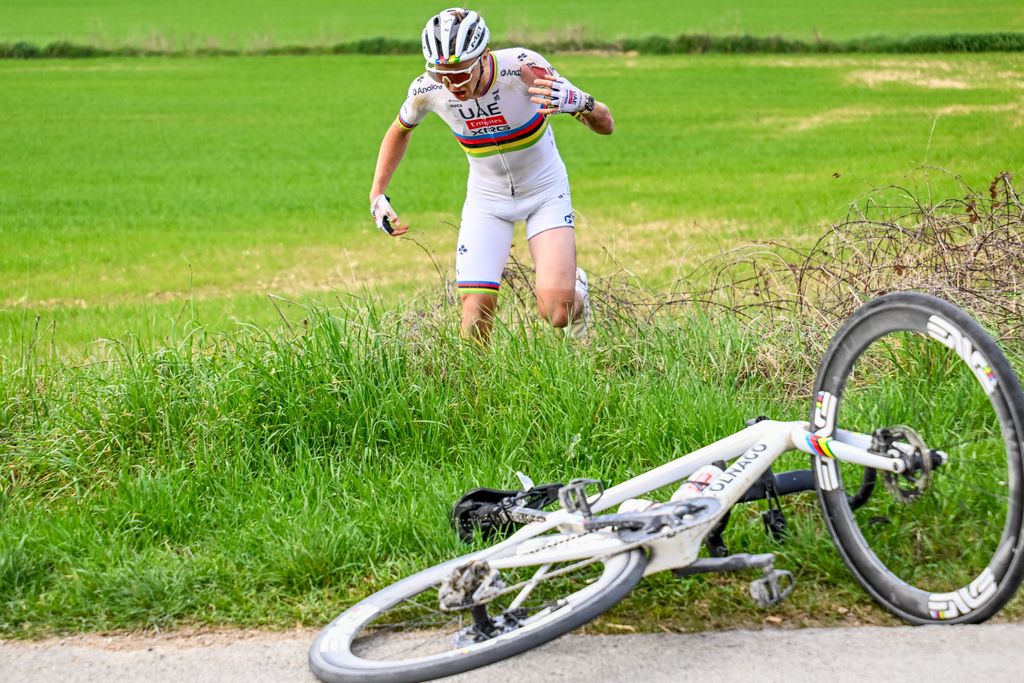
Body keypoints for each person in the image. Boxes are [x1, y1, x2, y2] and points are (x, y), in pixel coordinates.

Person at [369, 7, 614, 341]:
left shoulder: (523, 68)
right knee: (473, 320)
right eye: (442, 74)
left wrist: (582, 102)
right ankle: (478, 393)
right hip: (487, 199)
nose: (451, 84)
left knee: (557, 313)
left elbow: (606, 125)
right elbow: (399, 131)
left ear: (483, 56)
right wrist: (377, 193)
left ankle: (577, 290)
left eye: (460, 72)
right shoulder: (427, 89)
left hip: (544, 192)